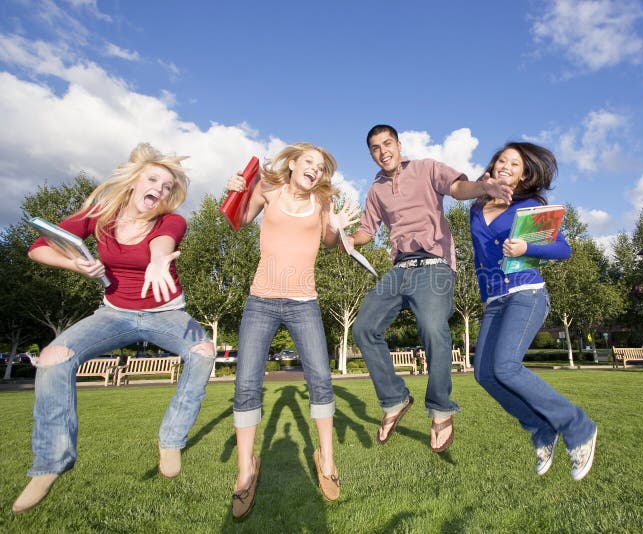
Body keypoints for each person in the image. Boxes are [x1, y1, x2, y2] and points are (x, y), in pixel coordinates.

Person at [13, 143, 216, 514]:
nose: (161, 189)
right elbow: (37, 248)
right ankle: (50, 463)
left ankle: (171, 439)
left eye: (168, 186)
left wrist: (158, 263)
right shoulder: (98, 215)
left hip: (167, 313)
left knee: (203, 353)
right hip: (114, 313)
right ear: (135, 182)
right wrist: (79, 266)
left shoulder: (171, 221)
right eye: (153, 180)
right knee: (52, 358)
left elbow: (163, 244)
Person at [349, 124, 512, 453]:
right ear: (371, 154)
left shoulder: (426, 169)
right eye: (375, 148)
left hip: (434, 265)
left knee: (432, 327)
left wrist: (484, 186)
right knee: (363, 328)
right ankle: (394, 399)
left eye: (387, 144)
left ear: (398, 144)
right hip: (400, 268)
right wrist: (342, 237)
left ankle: (440, 409)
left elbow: (457, 188)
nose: (383, 152)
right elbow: (366, 232)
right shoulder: (376, 190)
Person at [225, 143, 359, 517]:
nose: (315, 170)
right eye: (310, 163)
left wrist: (336, 228)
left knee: (320, 379)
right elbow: (238, 221)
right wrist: (235, 190)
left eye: (321, 167)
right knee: (246, 384)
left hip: (304, 303)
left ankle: (327, 461)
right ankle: (245, 471)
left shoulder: (322, 201)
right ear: (294, 162)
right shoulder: (267, 188)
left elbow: (330, 242)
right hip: (261, 301)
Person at [470, 142, 597, 480]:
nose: (506, 166)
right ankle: (541, 429)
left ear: (524, 173)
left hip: (526, 292)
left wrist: (528, 247)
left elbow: (563, 249)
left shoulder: (530, 207)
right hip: (494, 299)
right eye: (501, 160)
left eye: (515, 163)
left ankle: (578, 427)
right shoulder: (477, 205)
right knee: (484, 374)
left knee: (506, 368)